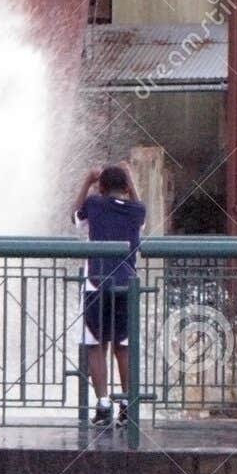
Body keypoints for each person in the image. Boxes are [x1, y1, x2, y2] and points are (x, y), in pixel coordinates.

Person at [74, 163, 146, 425]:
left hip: (96, 281)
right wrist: (132, 181)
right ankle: (127, 402)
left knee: (95, 344)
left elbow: (75, 217)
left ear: (100, 187)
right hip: (126, 284)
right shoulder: (137, 211)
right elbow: (142, 216)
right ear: (126, 187)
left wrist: (87, 181)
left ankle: (103, 404)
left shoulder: (94, 205)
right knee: (122, 346)